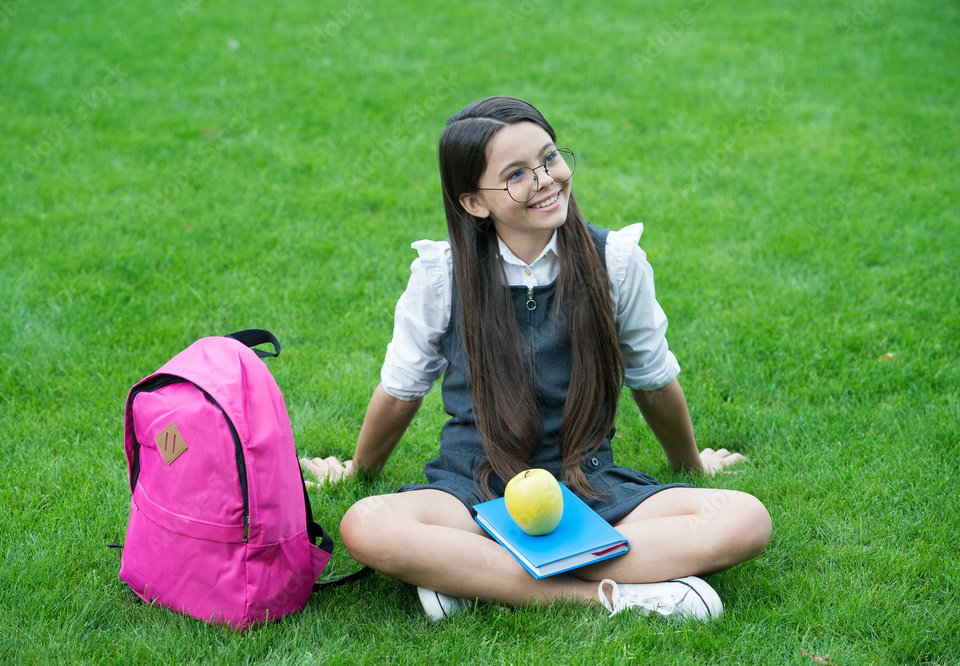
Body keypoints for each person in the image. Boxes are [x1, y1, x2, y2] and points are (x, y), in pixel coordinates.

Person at [301, 96, 771, 621]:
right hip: (470, 492)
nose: (546, 180)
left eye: (550, 158)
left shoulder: (615, 260)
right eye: (518, 174)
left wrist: (690, 464)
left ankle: (473, 575)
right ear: (474, 203)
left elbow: (653, 380)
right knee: (366, 524)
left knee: (745, 519)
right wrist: (358, 470)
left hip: (589, 486)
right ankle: (614, 595)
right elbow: (400, 390)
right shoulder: (441, 274)